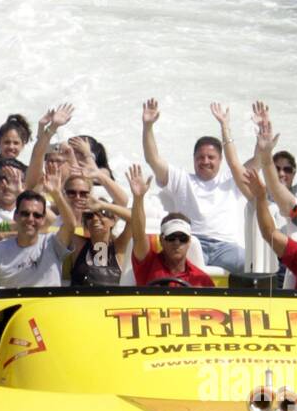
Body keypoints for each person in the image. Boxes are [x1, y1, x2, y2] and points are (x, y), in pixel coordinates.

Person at [141, 98, 249, 275]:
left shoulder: (233, 179)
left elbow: (259, 160)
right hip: (189, 242)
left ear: (221, 160)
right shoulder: (181, 179)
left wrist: (225, 126)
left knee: (250, 265)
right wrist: (148, 127)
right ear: (193, 159)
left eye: (211, 157)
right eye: (200, 157)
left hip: (225, 247)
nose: (205, 161)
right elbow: (153, 159)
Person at [129, 169, 213, 287]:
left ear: (189, 242)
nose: (177, 242)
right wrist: (138, 199)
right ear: (162, 240)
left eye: (182, 238)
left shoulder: (202, 280)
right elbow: (138, 235)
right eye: (171, 237)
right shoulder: (148, 263)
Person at [0, 186, 77, 289]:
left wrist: (57, 193)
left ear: (43, 220)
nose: (30, 219)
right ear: (15, 216)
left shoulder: (53, 244)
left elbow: (71, 226)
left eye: (37, 215)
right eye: (25, 214)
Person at [68, 170, 135, 289]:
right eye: (90, 215)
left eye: (102, 214)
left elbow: (135, 218)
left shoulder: (119, 248)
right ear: (85, 222)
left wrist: (104, 205)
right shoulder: (79, 245)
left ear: (113, 221)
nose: (95, 219)